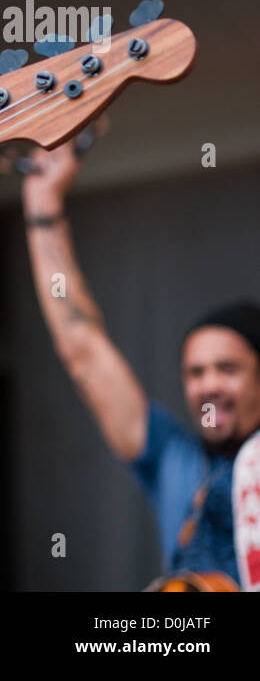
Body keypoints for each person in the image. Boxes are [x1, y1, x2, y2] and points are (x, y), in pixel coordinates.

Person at [22, 138, 260, 586]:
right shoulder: (173, 458)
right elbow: (82, 347)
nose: (208, 385)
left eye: (227, 369)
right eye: (195, 372)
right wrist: (43, 203)